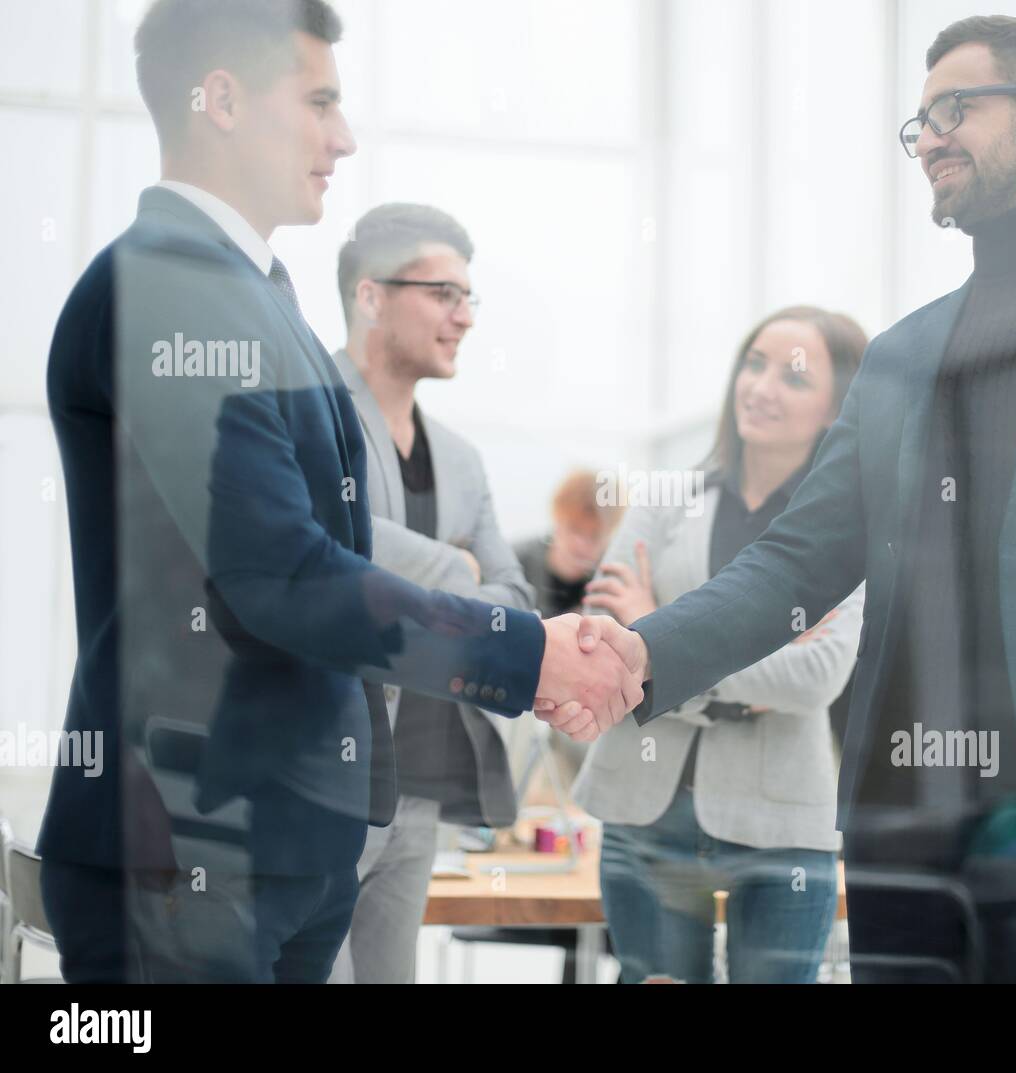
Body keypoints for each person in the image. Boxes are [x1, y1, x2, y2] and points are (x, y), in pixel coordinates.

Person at [559, 14, 1016, 983]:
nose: (930, 139)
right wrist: (643, 652)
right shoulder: (902, 356)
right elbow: (796, 560)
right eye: (918, 124)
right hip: (899, 833)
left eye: (955, 107)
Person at [39, 0, 636, 983]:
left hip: (280, 844)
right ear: (220, 100)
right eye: (318, 101)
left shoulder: (257, 292)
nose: (343, 136)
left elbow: (339, 552)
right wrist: (525, 653)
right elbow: (281, 572)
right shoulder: (173, 288)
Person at [573, 307, 868, 983]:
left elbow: (817, 677)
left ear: (837, 406)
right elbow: (607, 652)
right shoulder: (665, 501)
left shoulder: (846, 523)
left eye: (793, 376)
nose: (760, 386)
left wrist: (661, 631)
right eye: (754, 362)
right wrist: (747, 668)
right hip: (644, 806)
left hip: (784, 820)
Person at [325, 202, 535, 983]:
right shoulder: (310, 412)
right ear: (371, 295)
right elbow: (335, 549)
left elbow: (513, 599)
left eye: (470, 297)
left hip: (418, 781)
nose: (465, 317)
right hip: (324, 770)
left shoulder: (462, 459)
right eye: (444, 294)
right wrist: (457, 570)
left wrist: (444, 582)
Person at [516, 471, 624, 618]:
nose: (581, 545)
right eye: (574, 529)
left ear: (609, 534)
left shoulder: (615, 582)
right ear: (557, 518)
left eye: (594, 536)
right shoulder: (513, 564)